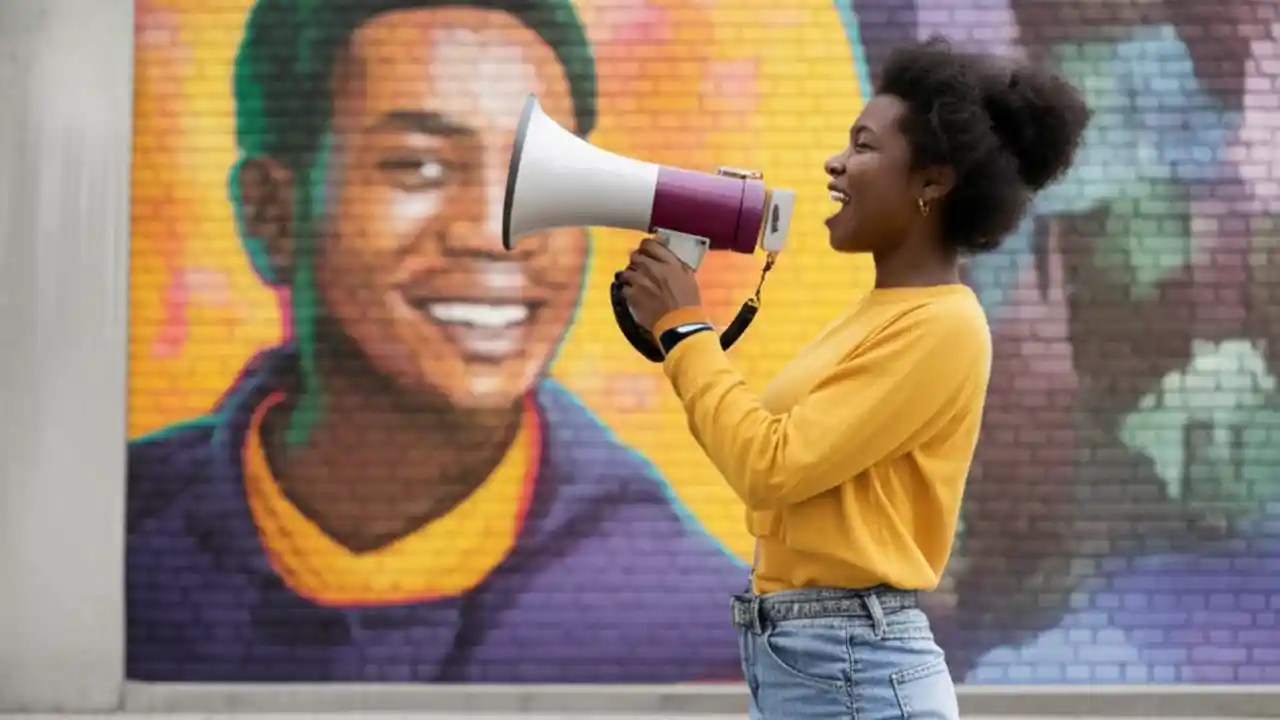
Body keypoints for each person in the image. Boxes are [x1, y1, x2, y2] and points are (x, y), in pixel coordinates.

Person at [125, 0, 747, 683]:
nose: (495, 231)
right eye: (418, 166)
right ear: (273, 214)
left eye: (548, 177)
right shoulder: (110, 544)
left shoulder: (687, 638)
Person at [619, 36, 1091, 718]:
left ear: (933, 181)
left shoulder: (942, 326)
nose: (834, 163)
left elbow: (770, 466)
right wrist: (676, 330)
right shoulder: (877, 317)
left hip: (852, 669)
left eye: (865, 147)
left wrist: (687, 330)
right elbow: (770, 476)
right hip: (815, 661)